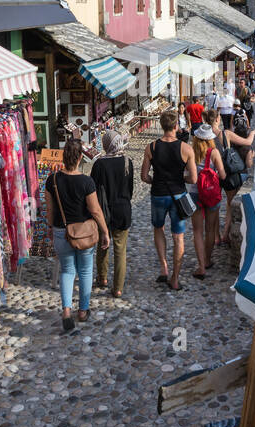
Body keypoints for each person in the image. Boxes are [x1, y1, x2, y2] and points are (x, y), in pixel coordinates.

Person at [45, 139, 111, 333]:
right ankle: (82, 311)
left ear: (63, 157)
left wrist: (51, 228)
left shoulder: (52, 180)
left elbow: (49, 210)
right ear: (81, 158)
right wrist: (105, 231)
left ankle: (66, 310)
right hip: (84, 234)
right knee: (85, 271)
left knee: (67, 271)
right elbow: (96, 210)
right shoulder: (86, 181)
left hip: (61, 231)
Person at [141, 111, 197, 291]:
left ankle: (164, 266)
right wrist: (180, 180)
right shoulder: (186, 149)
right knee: (178, 237)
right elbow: (193, 179)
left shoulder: (151, 147)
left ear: (161, 126)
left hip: (158, 194)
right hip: (178, 196)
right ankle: (175, 278)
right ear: (175, 127)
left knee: (158, 228)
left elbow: (144, 176)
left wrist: (155, 181)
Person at [91, 130, 133, 299]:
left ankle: (102, 278)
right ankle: (118, 288)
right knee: (120, 250)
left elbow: (92, 191)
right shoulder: (127, 161)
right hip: (123, 209)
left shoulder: (100, 164)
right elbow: (130, 188)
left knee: (103, 244)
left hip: (104, 211)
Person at [208, 108, 255, 244]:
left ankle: (216, 237)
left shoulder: (202, 135)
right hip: (226, 173)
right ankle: (225, 235)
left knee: (214, 207)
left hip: (209, 175)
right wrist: (252, 133)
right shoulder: (225, 134)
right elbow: (247, 142)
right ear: (218, 119)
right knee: (230, 204)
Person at [188, 122, 226, 279]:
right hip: (211, 194)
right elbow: (223, 175)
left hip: (195, 194)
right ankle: (208, 260)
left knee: (197, 230)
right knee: (210, 229)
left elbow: (188, 174)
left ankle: (201, 266)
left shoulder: (191, 151)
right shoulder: (214, 152)